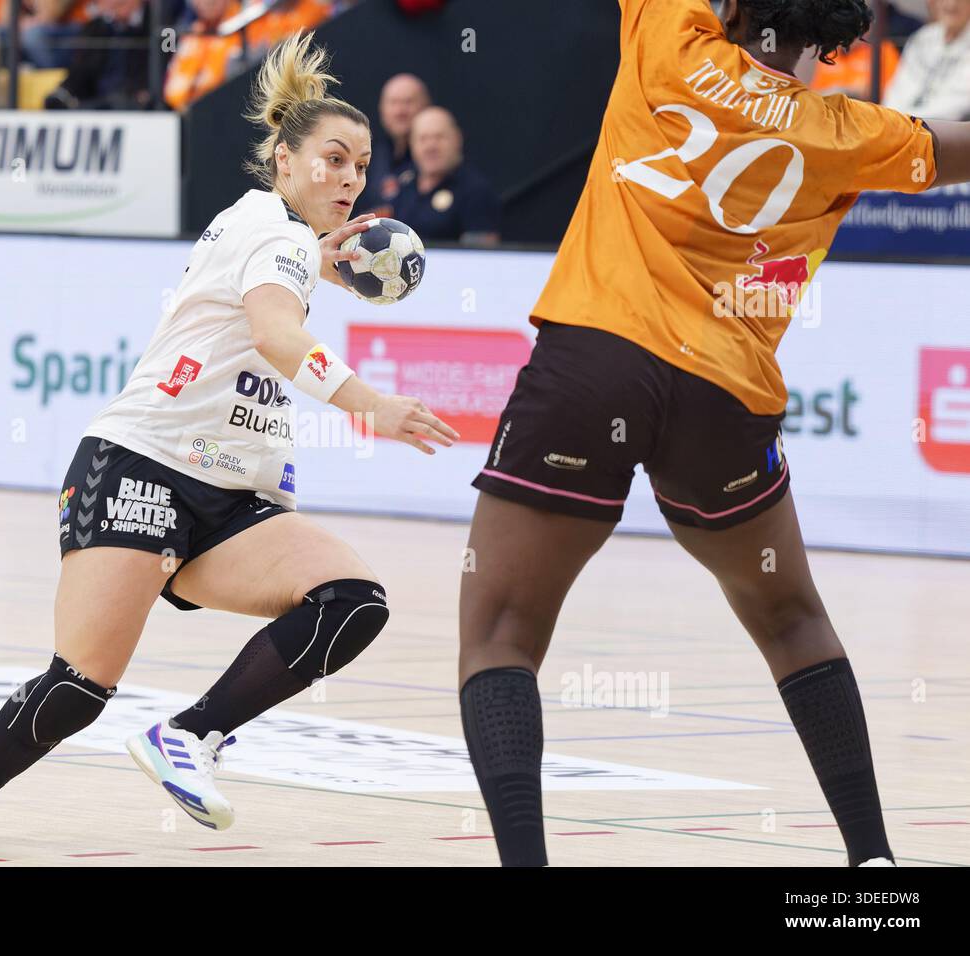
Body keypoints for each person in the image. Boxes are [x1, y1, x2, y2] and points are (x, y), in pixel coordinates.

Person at [0, 32, 458, 847]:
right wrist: (367, 403)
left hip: (233, 496)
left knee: (351, 602)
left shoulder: (279, 236)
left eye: (360, 165)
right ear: (283, 158)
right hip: (142, 465)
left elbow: (276, 291)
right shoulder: (275, 235)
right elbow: (276, 335)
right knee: (81, 686)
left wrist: (315, 258)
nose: (349, 179)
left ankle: (191, 734)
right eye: (332, 160)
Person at [459, 0, 970, 867]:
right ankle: (873, 866)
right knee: (793, 620)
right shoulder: (853, 131)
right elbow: (955, 147)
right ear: (841, 40)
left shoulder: (667, 34)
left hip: (597, 359)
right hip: (724, 397)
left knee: (500, 632)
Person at [392, 105, 501, 245]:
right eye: (423, 139)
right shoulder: (405, 185)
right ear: (412, 145)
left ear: (457, 139)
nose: (430, 146)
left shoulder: (476, 191)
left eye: (439, 137)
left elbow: (479, 256)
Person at [355, 73, 430, 216]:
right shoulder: (370, 154)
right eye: (393, 103)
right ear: (382, 109)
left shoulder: (434, 156)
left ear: (425, 106)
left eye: (408, 102)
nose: (400, 111)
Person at [884, 0, 970, 120]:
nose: (951, 4)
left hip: (943, 132)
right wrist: (894, 122)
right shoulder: (922, 38)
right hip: (903, 127)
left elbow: (958, 105)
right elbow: (897, 92)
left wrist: (909, 123)